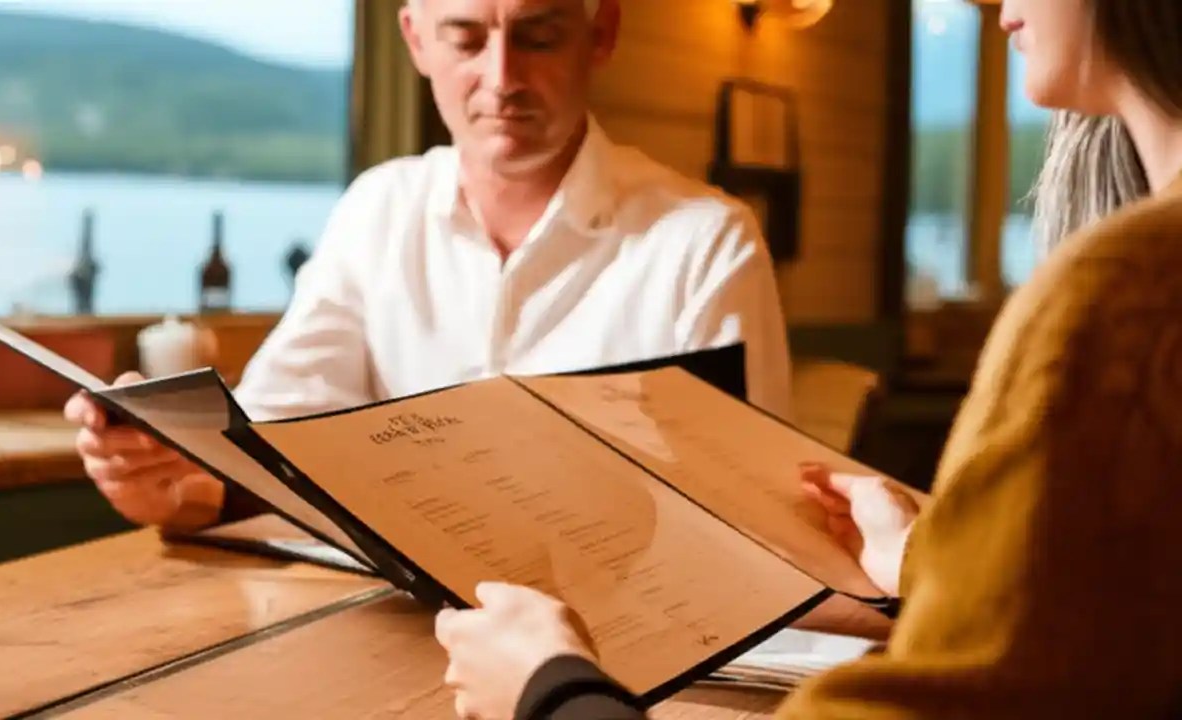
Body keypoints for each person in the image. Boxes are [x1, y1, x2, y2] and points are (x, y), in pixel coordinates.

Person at [434, 0, 1182, 717]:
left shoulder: (1128, 301)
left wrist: (549, 692)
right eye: (466, 39)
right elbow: (1113, 603)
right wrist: (925, 560)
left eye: (537, 34)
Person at [63, 0, 794, 533]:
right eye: (466, 38)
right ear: (415, 38)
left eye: (538, 36)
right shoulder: (379, 208)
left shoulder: (705, 243)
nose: (502, 76)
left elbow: (756, 524)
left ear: (600, 32)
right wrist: (172, 469)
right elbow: (279, 436)